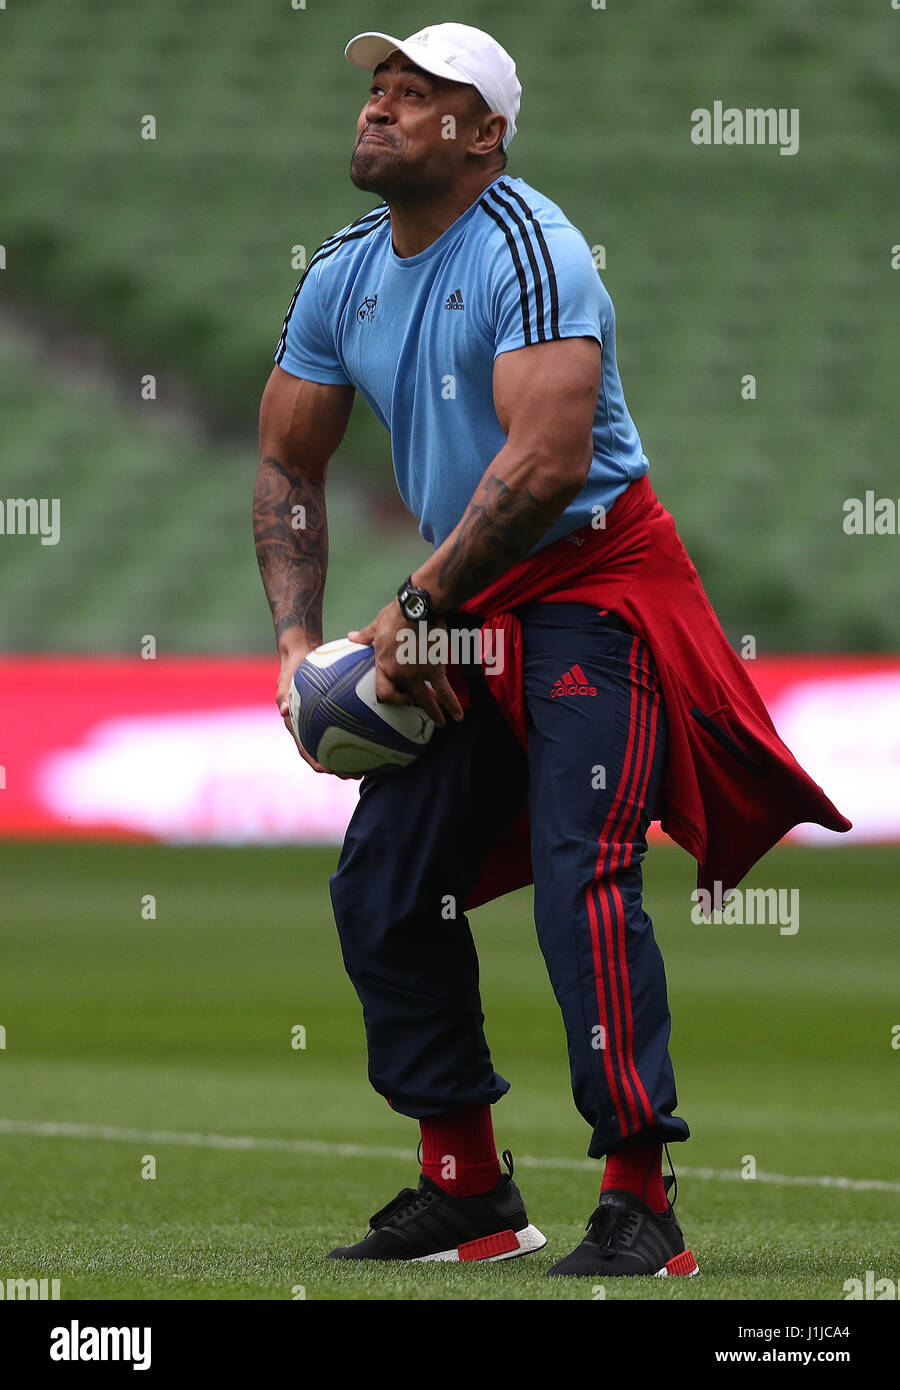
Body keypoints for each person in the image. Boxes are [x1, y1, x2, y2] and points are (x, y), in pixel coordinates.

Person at [253, 22, 848, 1276]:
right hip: (465, 603)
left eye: (420, 96)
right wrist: (301, 645)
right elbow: (285, 464)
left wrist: (415, 606)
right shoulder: (339, 273)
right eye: (378, 89)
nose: (381, 110)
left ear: (485, 135)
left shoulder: (533, 243)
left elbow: (546, 466)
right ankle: (466, 1188)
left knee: (586, 868)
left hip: (591, 582)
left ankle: (642, 1199)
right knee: (384, 878)